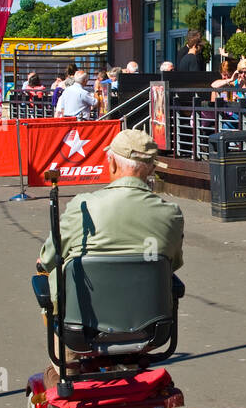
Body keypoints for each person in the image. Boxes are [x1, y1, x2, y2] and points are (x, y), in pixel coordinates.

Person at [36, 129, 184, 380]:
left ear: (112, 162)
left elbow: (49, 258)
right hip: (150, 327)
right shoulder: (171, 213)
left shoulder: (83, 206)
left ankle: (68, 366)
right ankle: (128, 361)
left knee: (50, 282)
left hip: (82, 327)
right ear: (149, 168)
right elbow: (172, 265)